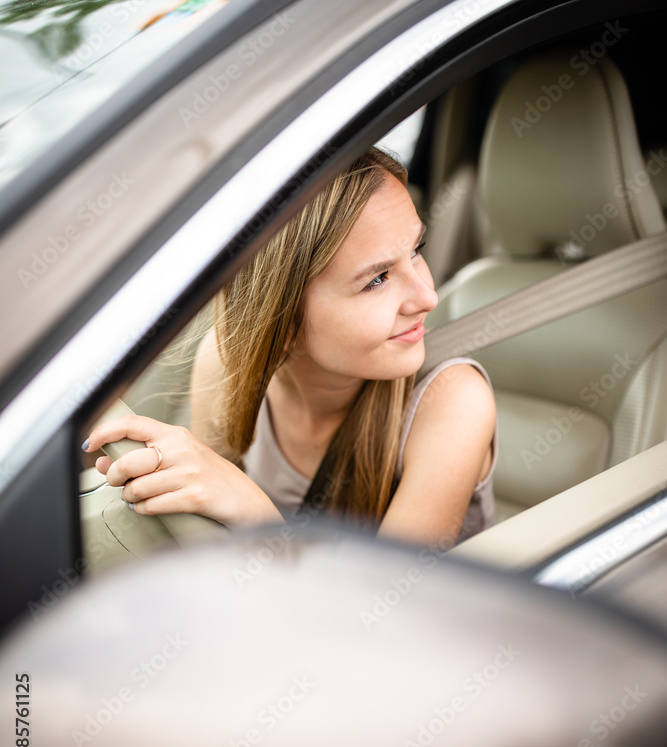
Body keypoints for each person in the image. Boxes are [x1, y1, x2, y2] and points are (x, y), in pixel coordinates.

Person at [83, 148, 496, 548]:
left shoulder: (453, 401)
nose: (428, 296)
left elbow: (386, 609)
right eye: (378, 279)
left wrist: (253, 511)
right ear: (283, 321)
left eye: (417, 251)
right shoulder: (223, 364)